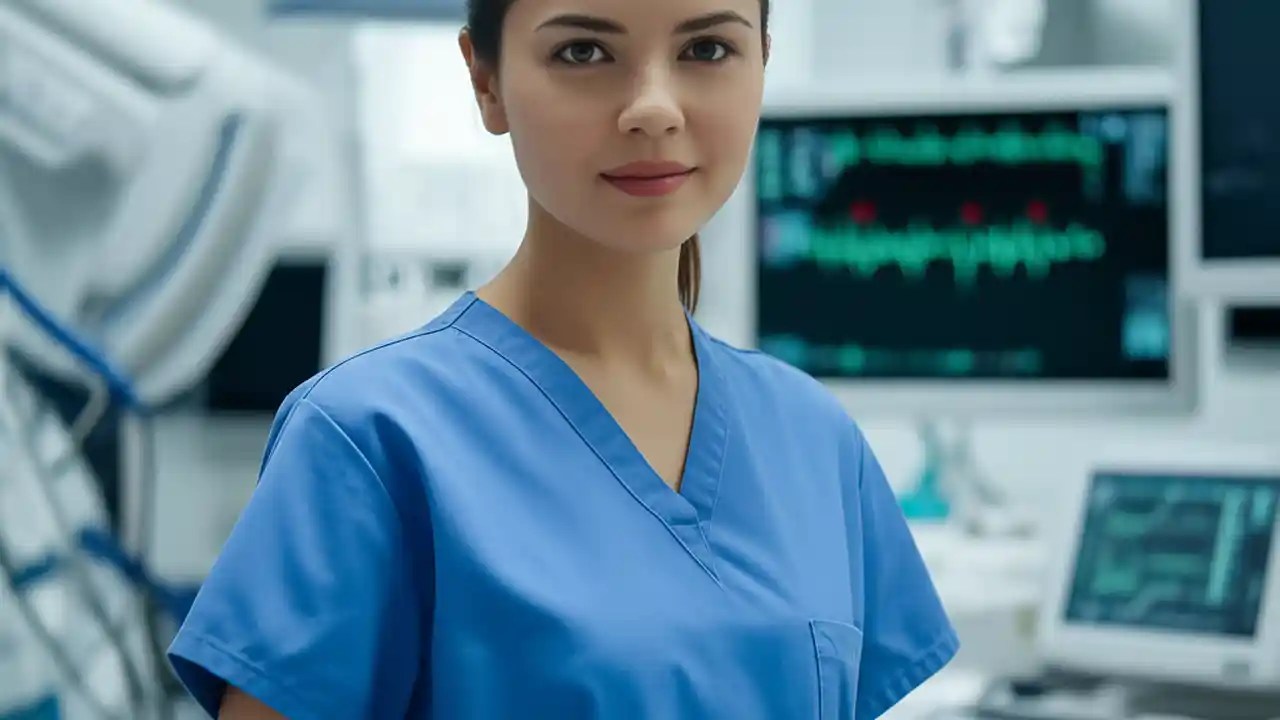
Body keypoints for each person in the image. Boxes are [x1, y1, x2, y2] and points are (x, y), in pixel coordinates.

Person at [167, 0, 959, 717]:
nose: (654, 108)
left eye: (707, 49)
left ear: (762, 64)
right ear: (486, 83)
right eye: (583, 52)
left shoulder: (812, 438)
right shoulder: (369, 440)